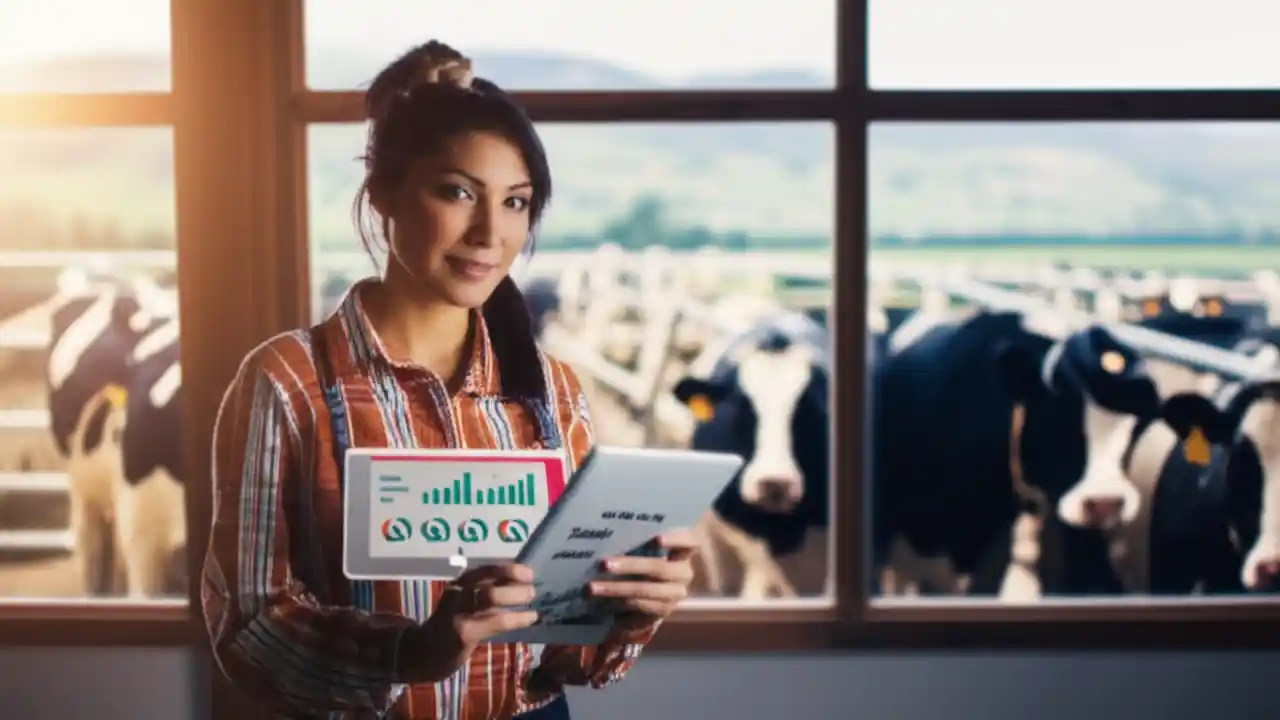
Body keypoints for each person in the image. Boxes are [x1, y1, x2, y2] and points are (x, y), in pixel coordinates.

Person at [201, 40, 699, 720]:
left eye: (517, 203)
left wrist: (630, 609)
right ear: (383, 194)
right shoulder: (287, 382)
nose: (491, 232)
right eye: (458, 192)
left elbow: (561, 657)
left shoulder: (553, 392)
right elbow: (249, 628)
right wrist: (412, 653)